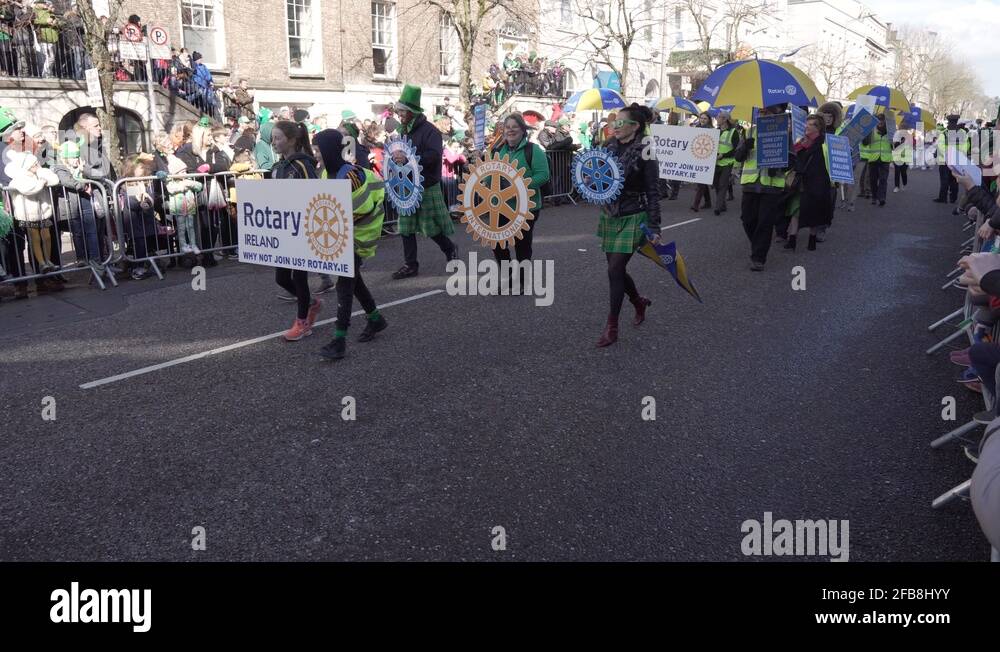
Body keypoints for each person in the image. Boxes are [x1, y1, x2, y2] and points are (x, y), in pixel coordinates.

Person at [312, 129, 388, 360]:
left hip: (355, 237)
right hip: (339, 237)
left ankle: (339, 339)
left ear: (328, 150)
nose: (316, 155)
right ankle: (375, 319)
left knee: (344, 286)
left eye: (318, 150)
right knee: (354, 282)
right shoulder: (326, 173)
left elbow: (362, 209)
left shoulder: (351, 175)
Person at [594, 103, 660, 347]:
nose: (615, 126)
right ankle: (638, 301)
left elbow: (653, 191)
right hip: (610, 214)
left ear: (635, 126)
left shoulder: (646, 151)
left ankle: (612, 326)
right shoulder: (607, 146)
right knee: (616, 270)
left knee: (614, 269)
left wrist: (655, 227)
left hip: (634, 215)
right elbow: (598, 176)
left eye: (620, 122)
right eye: (614, 122)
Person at [389, 84, 459, 280]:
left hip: (426, 184)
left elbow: (434, 156)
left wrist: (409, 158)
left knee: (430, 227)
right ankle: (410, 265)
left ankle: (450, 248)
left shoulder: (430, 131)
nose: (399, 115)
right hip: (406, 185)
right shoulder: (403, 130)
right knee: (406, 227)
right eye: (398, 111)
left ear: (412, 112)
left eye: (402, 111)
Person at [269, 120, 322, 341]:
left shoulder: (302, 165)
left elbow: (315, 194)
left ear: (291, 140)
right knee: (281, 278)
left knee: (299, 278)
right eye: (272, 138)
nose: (274, 142)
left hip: (302, 229)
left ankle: (302, 323)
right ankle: (312, 303)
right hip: (284, 229)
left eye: (278, 138)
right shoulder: (277, 167)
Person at [486, 112, 550, 289]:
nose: (511, 130)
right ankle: (508, 277)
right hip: (501, 205)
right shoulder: (497, 151)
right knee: (497, 242)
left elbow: (543, 175)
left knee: (522, 245)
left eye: (515, 127)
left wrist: (519, 187)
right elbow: (489, 176)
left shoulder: (533, 150)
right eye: (507, 127)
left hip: (527, 206)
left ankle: (522, 281)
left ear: (523, 130)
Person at [732, 104, 791, 271]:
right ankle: (759, 244)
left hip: (771, 185)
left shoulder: (784, 134)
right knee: (748, 220)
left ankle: (759, 257)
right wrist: (745, 147)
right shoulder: (749, 132)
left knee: (765, 222)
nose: (763, 115)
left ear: (775, 115)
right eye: (761, 112)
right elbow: (738, 157)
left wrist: (779, 166)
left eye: (767, 113)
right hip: (750, 183)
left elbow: (792, 161)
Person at [784, 114, 832, 252]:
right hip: (801, 181)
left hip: (817, 182)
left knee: (815, 211)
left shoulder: (824, 143)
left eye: (810, 124)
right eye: (807, 123)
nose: (807, 126)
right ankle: (792, 239)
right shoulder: (802, 141)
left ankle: (812, 238)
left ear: (818, 128)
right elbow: (795, 157)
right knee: (795, 209)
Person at [713, 111, 741, 215]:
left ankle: (718, 207)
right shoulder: (715, 131)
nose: (717, 119)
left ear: (725, 119)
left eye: (718, 117)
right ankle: (722, 205)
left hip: (727, 163)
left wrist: (723, 155)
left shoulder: (733, 132)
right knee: (716, 184)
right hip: (715, 163)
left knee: (722, 185)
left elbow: (736, 149)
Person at [863, 114, 891, 207]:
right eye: (878, 120)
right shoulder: (871, 130)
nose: (880, 122)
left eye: (882, 120)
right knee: (873, 180)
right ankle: (874, 197)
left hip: (885, 159)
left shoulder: (890, 132)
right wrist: (867, 133)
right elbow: (865, 143)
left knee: (883, 179)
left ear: (885, 121)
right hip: (873, 158)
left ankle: (882, 198)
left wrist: (897, 141)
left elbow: (894, 146)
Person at [934, 114, 964, 204]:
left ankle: (943, 198)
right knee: (954, 180)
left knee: (944, 180)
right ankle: (953, 198)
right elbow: (965, 147)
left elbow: (940, 147)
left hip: (945, 161)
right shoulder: (962, 133)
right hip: (956, 160)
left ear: (949, 122)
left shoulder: (944, 133)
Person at [690, 111, 714, 212]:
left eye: (705, 118)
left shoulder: (712, 130)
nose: (702, 120)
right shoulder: (696, 128)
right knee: (702, 182)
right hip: (697, 157)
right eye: (701, 118)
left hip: (706, 158)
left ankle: (696, 204)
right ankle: (708, 202)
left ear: (709, 120)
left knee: (701, 182)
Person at [892, 127, 911, 193]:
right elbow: (894, 148)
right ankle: (896, 186)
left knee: (903, 172)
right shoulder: (896, 139)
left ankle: (904, 183)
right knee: (897, 172)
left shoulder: (908, 138)